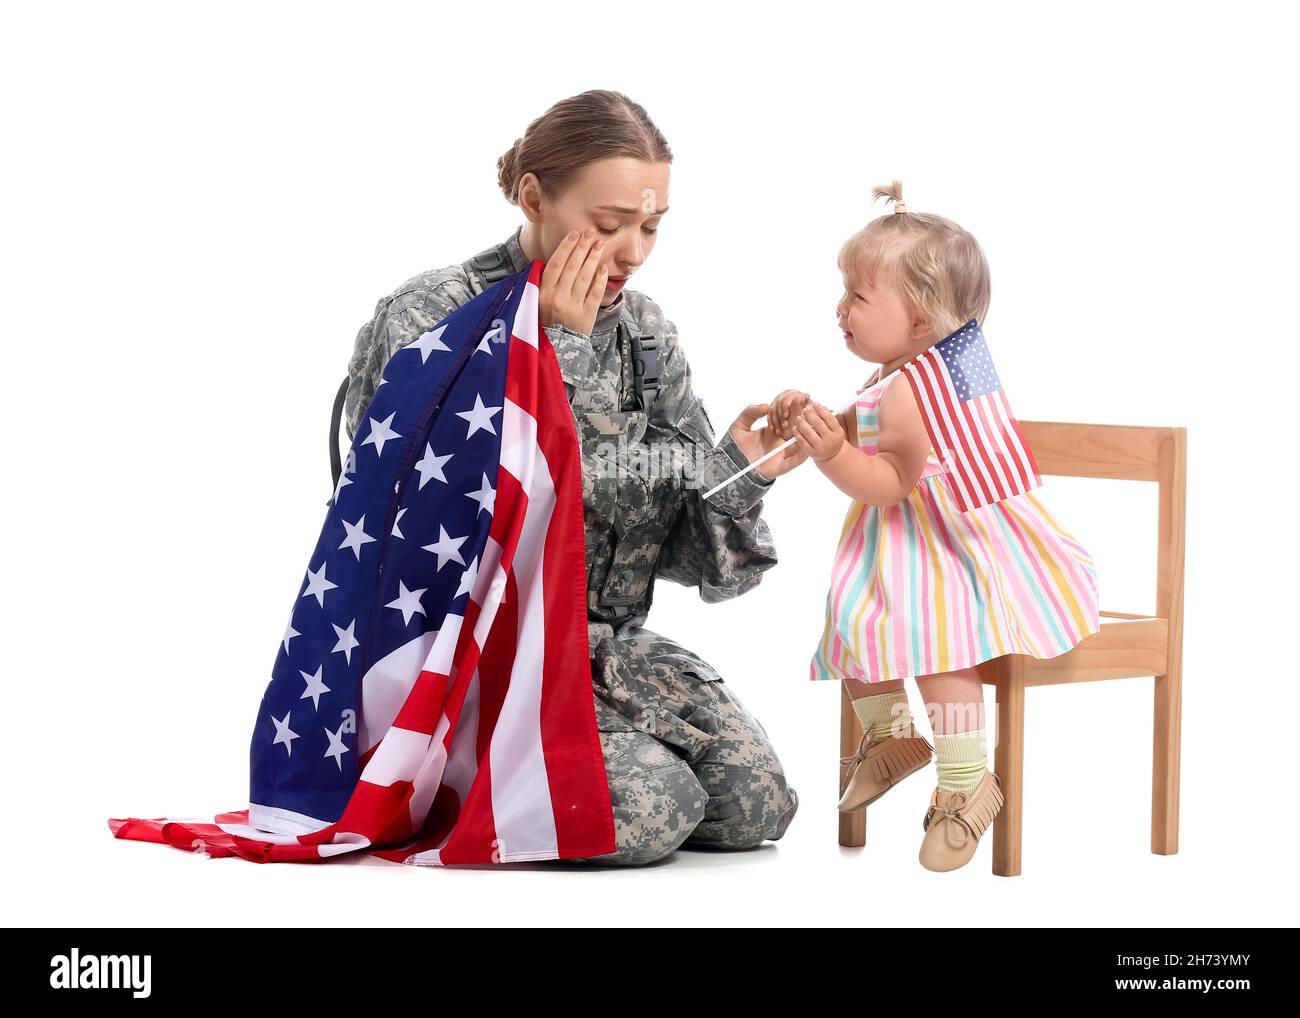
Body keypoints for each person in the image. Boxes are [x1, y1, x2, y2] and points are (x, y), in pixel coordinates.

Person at [343, 90, 804, 865]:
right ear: (534, 197)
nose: (634, 253)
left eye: (651, 227)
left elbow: (692, 566)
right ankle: (457, 786)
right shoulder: (433, 314)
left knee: (752, 805)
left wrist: (739, 472)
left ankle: (588, 747)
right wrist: (558, 350)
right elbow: (436, 530)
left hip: (597, 651)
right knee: (657, 811)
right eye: (609, 224)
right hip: (469, 661)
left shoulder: (647, 335)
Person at [771, 180, 1100, 872]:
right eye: (844, 292)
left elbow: (890, 483)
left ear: (920, 320)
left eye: (858, 296)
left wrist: (830, 454)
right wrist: (817, 423)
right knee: (853, 623)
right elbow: (859, 431)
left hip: (955, 549)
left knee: (939, 644)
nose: (841, 309)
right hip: (903, 548)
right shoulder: (895, 377)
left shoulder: (912, 390)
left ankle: (965, 782)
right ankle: (893, 738)